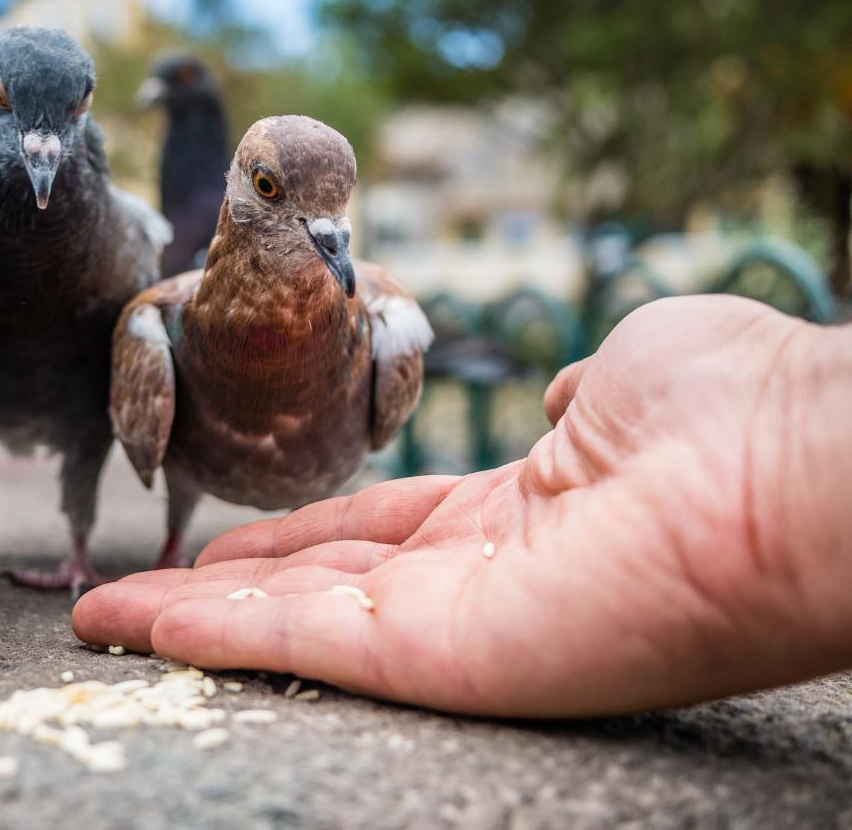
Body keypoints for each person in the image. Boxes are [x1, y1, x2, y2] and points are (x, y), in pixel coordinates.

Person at [73, 295, 852, 716]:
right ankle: (177, 537)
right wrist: (774, 424)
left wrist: (774, 436)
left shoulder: (372, 316)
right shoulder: (156, 328)